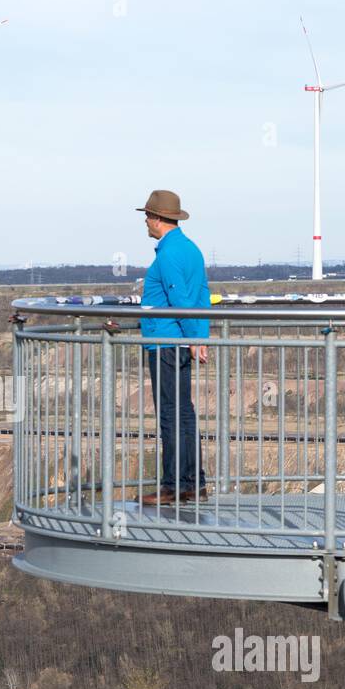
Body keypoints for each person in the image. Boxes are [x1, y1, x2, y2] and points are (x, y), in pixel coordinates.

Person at [136, 189, 211, 506]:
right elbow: (202, 296)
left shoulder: (167, 255)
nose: (145, 223)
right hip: (181, 341)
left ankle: (174, 486)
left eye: (147, 217)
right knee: (185, 413)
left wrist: (194, 339)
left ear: (156, 219)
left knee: (171, 414)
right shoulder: (191, 250)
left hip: (166, 342)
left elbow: (180, 301)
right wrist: (200, 337)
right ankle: (194, 483)